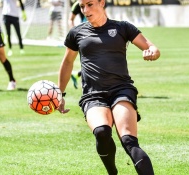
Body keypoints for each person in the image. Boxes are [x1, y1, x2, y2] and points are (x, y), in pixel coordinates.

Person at [57, 0, 160, 174]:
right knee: (102, 132)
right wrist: (60, 93)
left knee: (128, 140)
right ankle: (112, 172)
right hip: (93, 95)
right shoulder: (76, 33)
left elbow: (152, 47)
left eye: (90, 4)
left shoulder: (122, 27)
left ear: (102, 3)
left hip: (121, 90)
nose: (86, 10)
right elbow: (67, 62)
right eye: (82, 6)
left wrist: (152, 51)